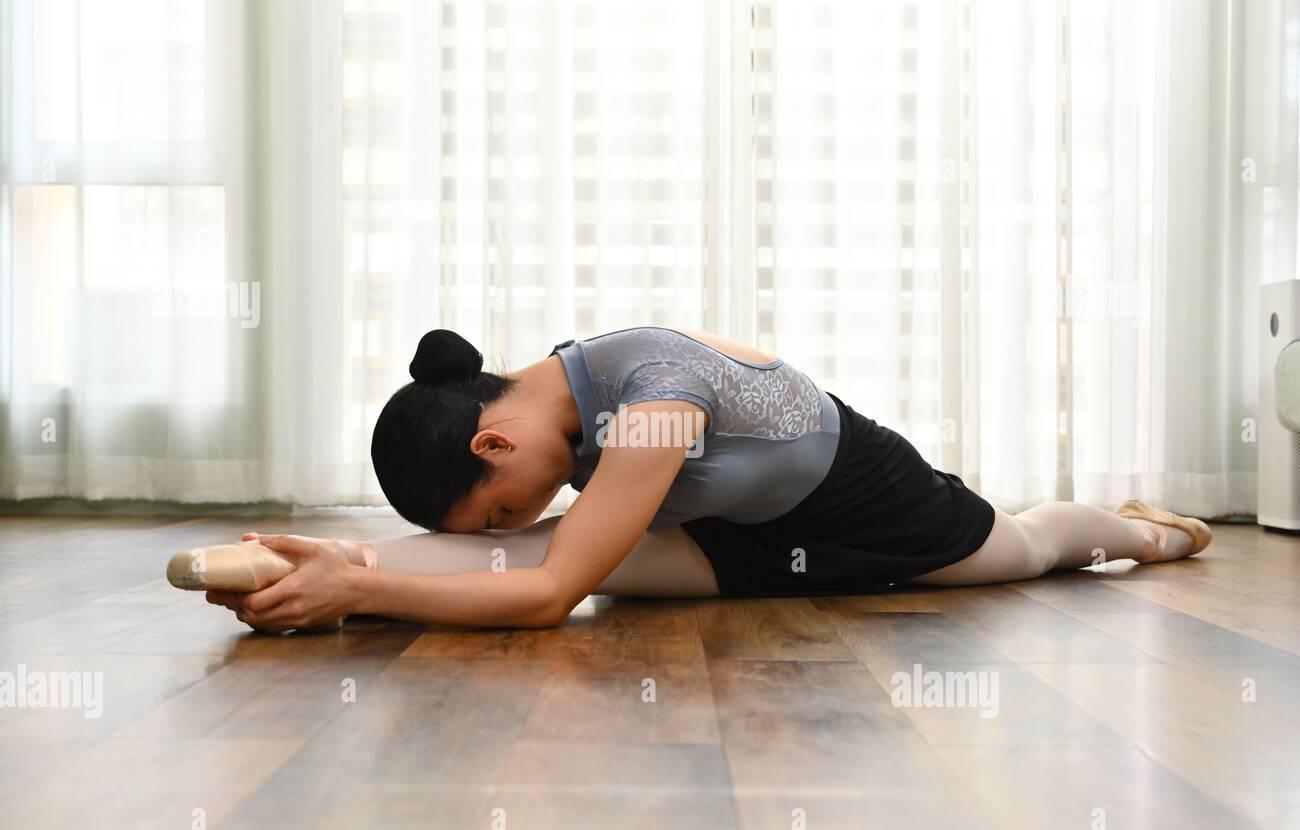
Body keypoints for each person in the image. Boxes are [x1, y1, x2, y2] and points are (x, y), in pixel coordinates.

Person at [186, 326, 1211, 632]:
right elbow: (521, 553)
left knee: (1025, 550)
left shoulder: (655, 402)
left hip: (866, 502)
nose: (511, 518)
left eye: (498, 504)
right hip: (735, 530)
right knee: (522, 556)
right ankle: (311, 569)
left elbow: (548, 593)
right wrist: (337, 574)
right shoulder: (562, 398)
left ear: (493, 446)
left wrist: (367, 586)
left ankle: (1148, 532)